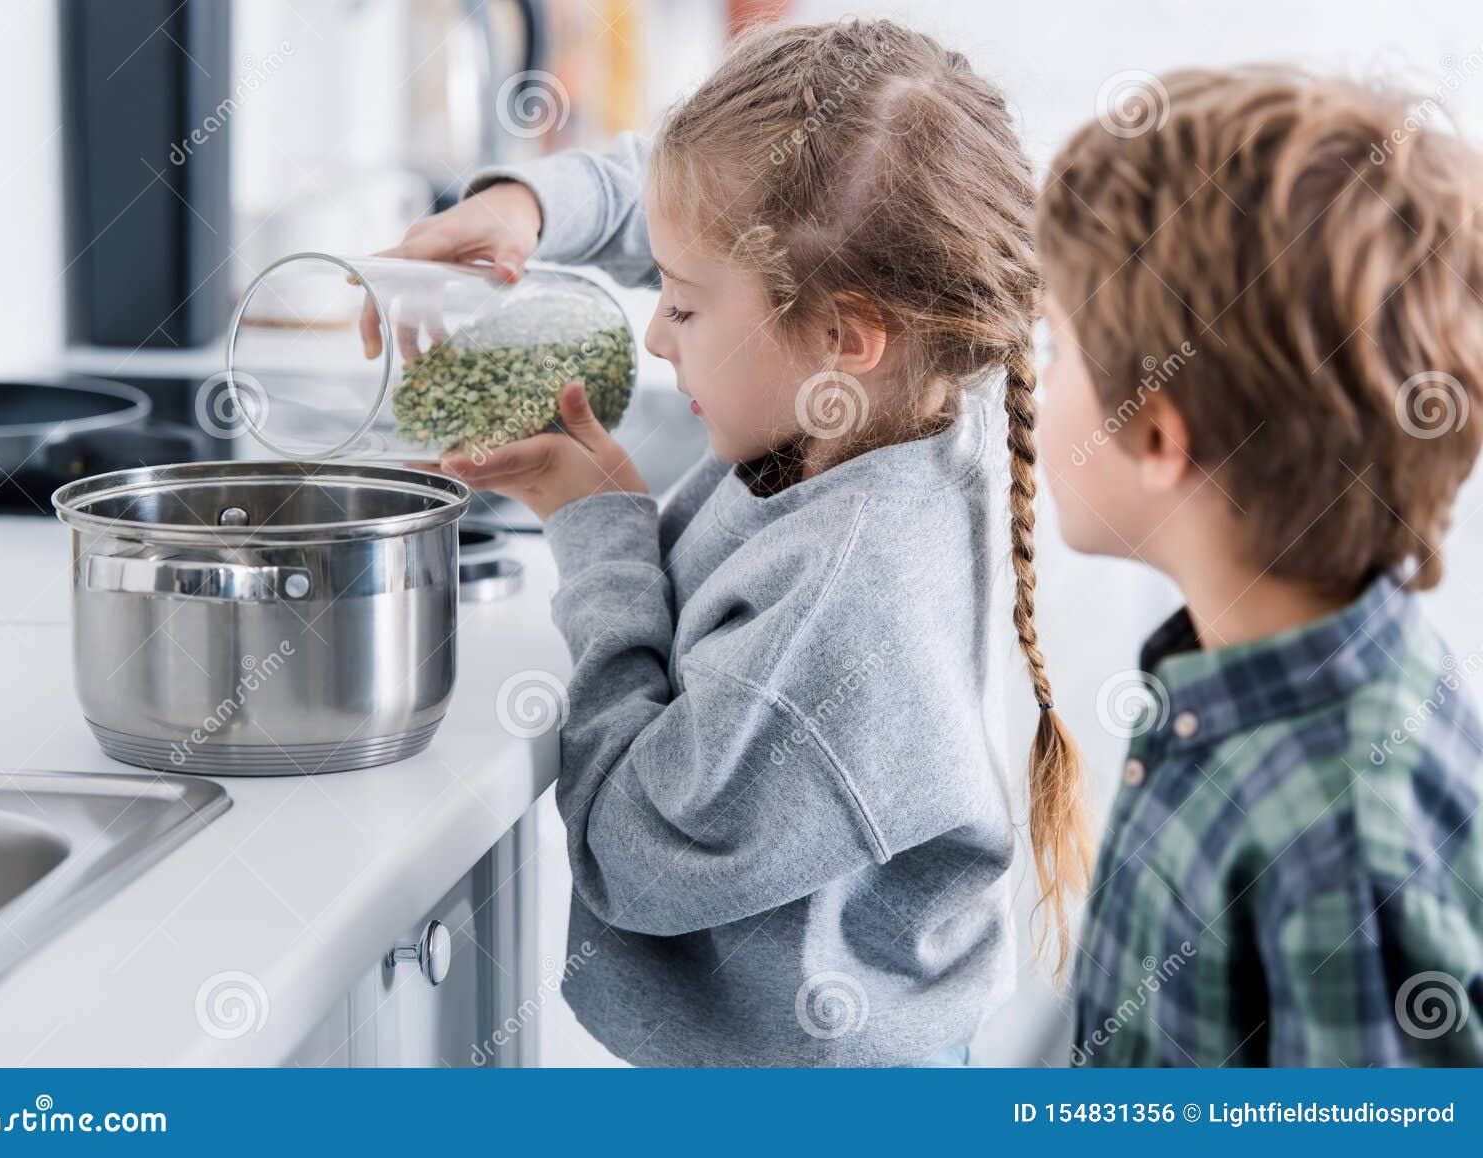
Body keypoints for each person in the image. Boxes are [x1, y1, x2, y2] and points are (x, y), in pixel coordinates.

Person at [374, 19, 1087, 1064]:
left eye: (684, 306)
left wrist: (599, 534)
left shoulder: (845, 592)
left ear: (846, 335)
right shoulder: (881, 405)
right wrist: (527, 205)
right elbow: (706, 205)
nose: (656, 333)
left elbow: (635, 847)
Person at [1037, 67, 1483, 1065]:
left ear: (1153, 431)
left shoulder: (1345, 848)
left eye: (1054, 347)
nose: (1034, 384)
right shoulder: (1257, 659)